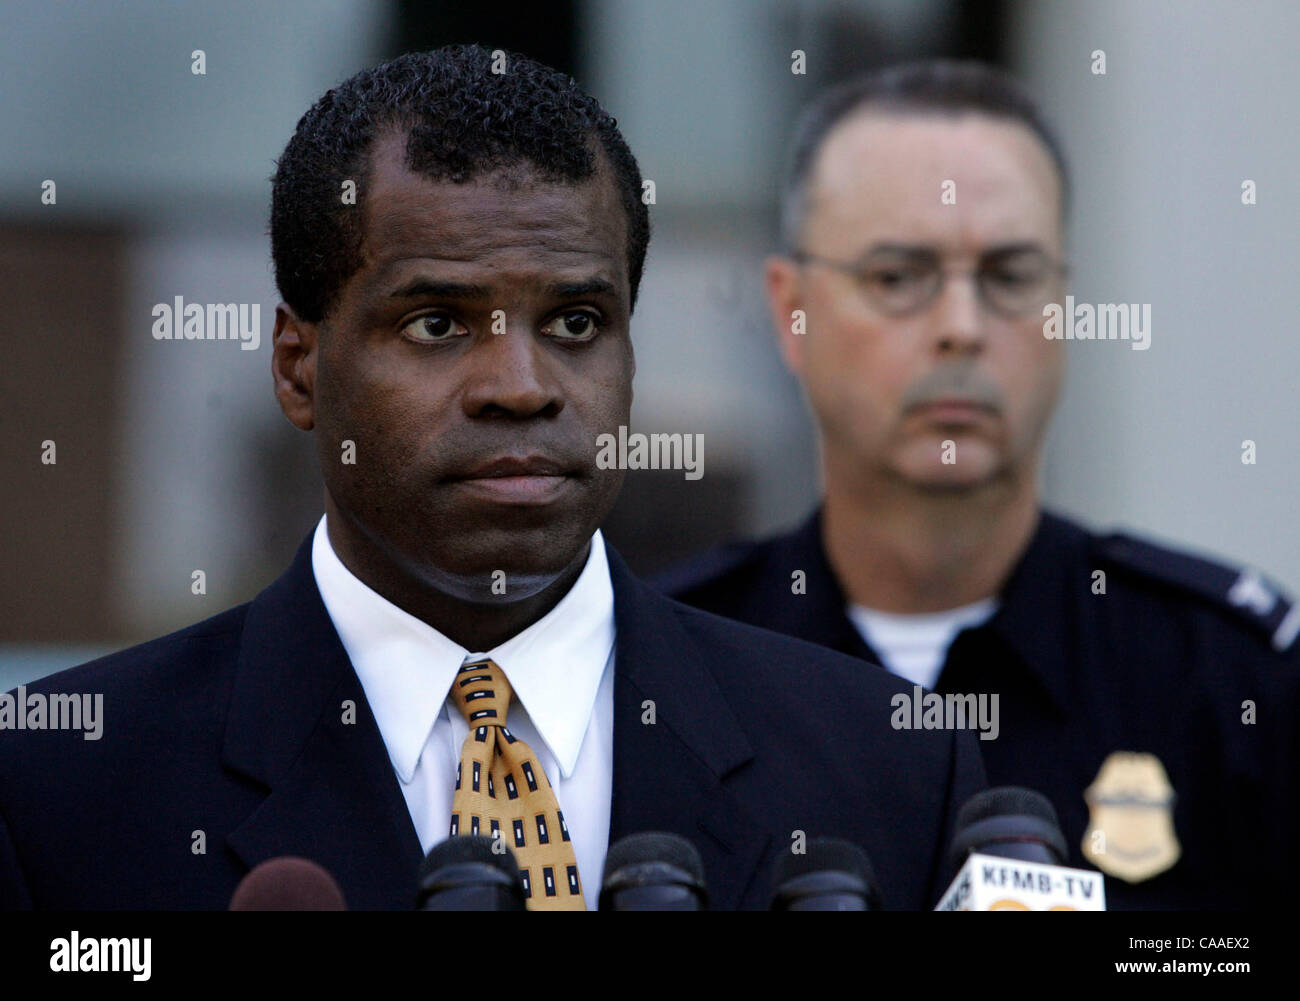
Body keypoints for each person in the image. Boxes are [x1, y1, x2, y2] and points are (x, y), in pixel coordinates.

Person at [0, 46, 984, 912]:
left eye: (575, 324)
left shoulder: (886, 766)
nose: (520, 388)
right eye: (436, 323)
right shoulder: (58, 789)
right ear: (299, 367)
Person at [656, 60, 1298, 910]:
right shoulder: (669, 672)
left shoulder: (1225, 679)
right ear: (790, 311)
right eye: (897, 276)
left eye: (1010, 276)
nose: (961, 327)